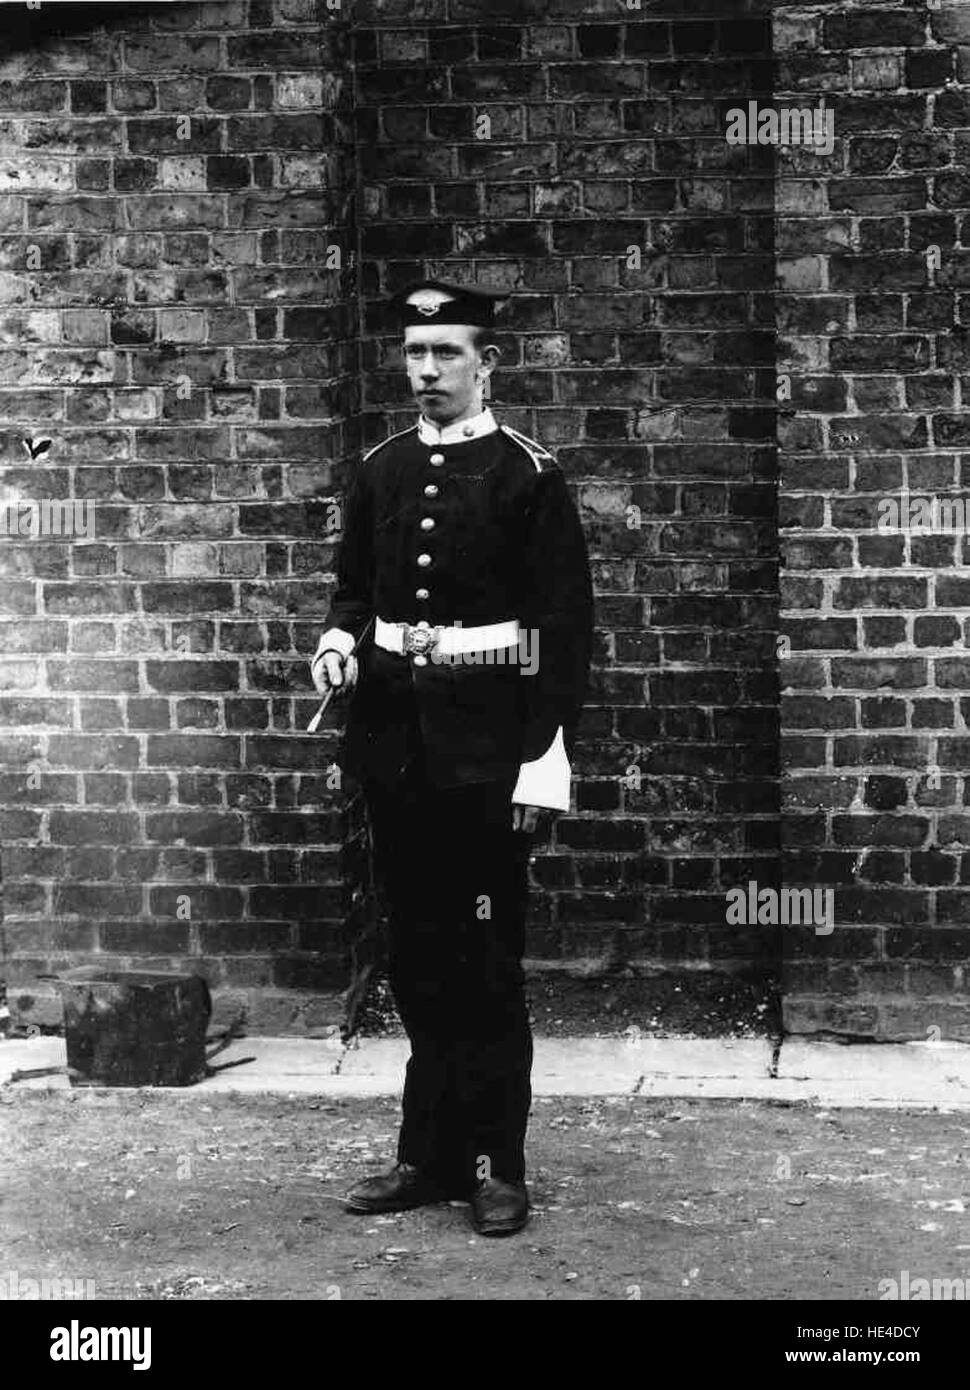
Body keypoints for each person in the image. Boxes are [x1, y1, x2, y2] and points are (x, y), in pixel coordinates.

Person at [310, 279, 593, 1236]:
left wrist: (544, 756)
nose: (426, 373)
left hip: (487, 754)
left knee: (484, 961)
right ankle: (424, 1156)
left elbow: (564, 629)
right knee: (418, 957)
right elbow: (355, 589)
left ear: (486, 365)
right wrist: (342, 645)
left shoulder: (528, 476)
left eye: (446, 356)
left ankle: (494, 1162)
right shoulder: (383, 467)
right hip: (398, 749)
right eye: (415, 357)